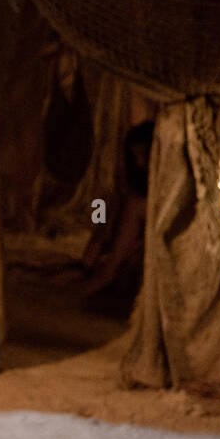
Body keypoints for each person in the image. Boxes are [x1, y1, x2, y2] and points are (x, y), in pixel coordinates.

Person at [80, 121, 154, 320]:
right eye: (134, 157)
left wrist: (82, 292)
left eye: (144, 157)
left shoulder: (139, 203)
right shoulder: (139, 194)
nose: (139, 164)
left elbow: (116, 262)